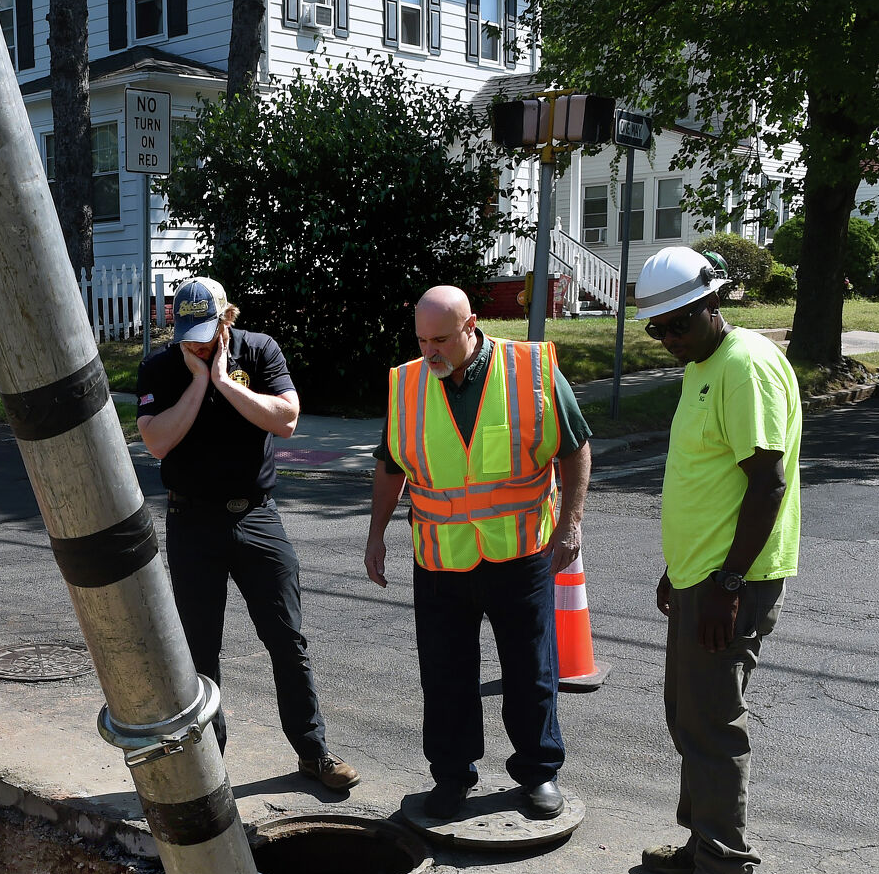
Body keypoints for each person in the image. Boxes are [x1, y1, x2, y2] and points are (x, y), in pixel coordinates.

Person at [365, 285, 593, 821]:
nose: (431, 352)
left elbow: (575, 444)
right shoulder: (408, 383)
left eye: (441, 339)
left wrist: (572, 523)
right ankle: (450, 779)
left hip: (519, 554)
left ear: (472, 327)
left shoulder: (529, 371)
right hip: (442, 559)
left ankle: (539, 774)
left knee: (528, 670)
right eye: (422, 341)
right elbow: (391, 463)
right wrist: (376, 535)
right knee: (444, 676)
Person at [136, 277, 360, 791]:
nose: (194, 343)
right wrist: (199, 381)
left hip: (256, 516)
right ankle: (208, 766)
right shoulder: (161, 366)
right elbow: (157, 443)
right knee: (199, 651)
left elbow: (287, 420)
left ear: (227, 320)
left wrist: (226, 382)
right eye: (185, 334)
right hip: (192, 521)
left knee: (287, 638)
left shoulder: (259, 351)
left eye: (206, 332)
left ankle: (314, 752)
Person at [632, 246, 800, 874]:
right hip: (703, 576)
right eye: (657, 330)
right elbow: (710, 481)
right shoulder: (703, 366)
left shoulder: (744, 366)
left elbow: (767, 481)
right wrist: (681, 568)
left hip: (734, 580)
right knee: (688, 714)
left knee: (713, 727)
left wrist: (729, 581)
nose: (669, 339)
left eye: (678, 324)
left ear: (712, 305)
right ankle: (704, 844)